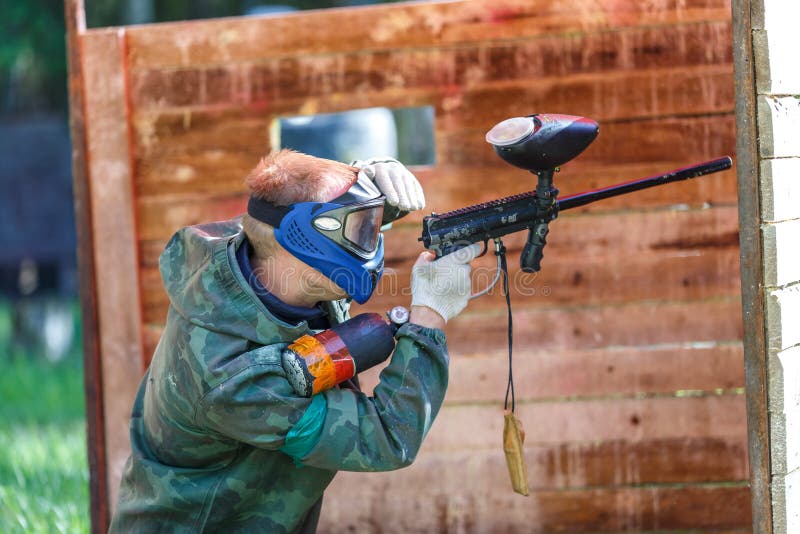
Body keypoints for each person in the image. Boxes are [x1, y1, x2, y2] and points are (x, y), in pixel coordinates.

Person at [109, 149, 481, 532]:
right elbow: (387, 437)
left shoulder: (255, 260)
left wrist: (361, 178)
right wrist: (429, 319)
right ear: (301, 241)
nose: (372, 238)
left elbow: (290, 202)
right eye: (360, 227)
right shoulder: (233, 380)